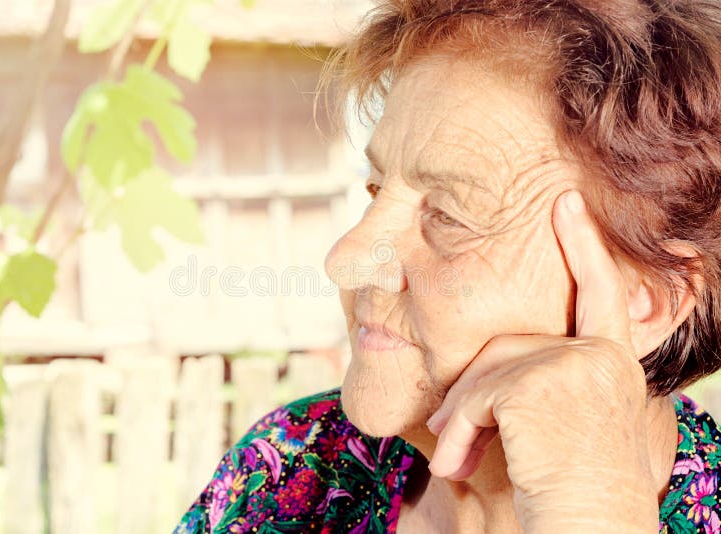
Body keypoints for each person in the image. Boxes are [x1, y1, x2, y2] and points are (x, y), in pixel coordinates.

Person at [173, 0, 721, 532]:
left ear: (645, 299)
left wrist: (589, 510)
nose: (348, 259)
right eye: (375, 188)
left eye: (448, 216)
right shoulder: (291, 463)